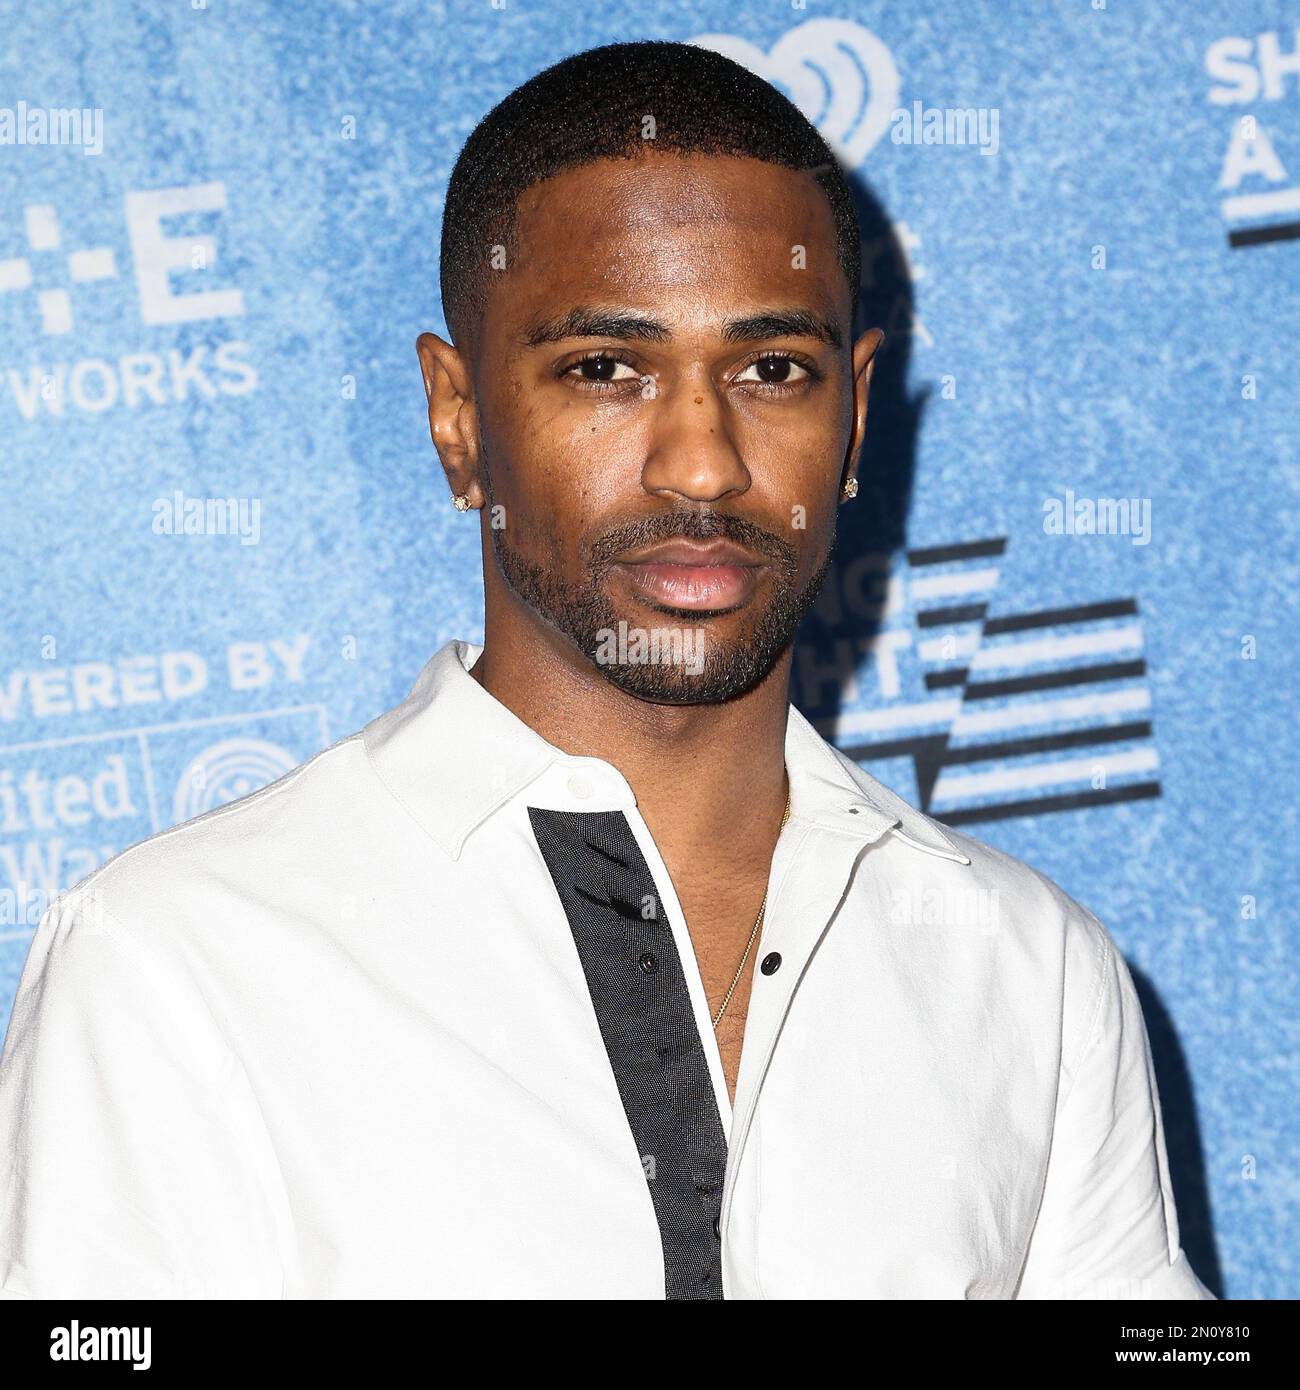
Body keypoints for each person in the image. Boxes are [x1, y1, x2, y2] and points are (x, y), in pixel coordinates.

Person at [0, 40, 1213, 1300]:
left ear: (852, 413)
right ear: (458, 419)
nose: (701, 462)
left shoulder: (1030, 969)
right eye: (605, 369)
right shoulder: (173, 957)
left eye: (770, 370)